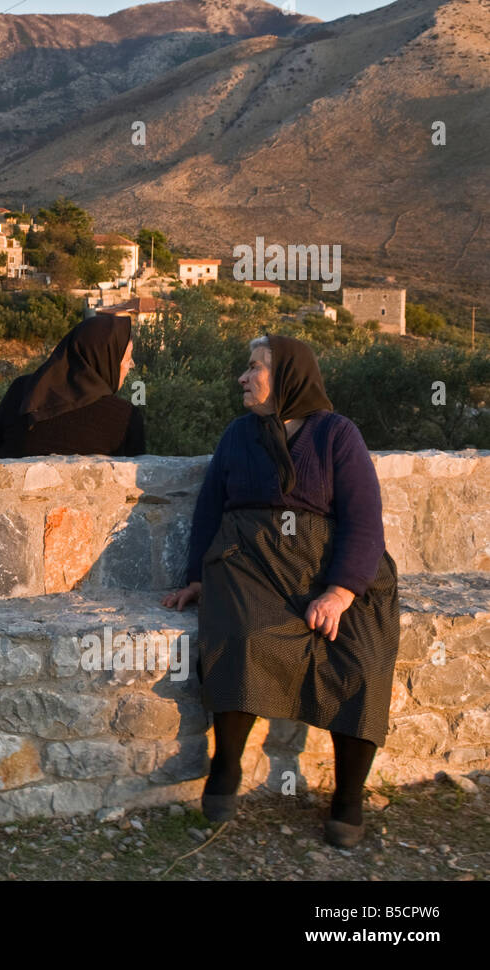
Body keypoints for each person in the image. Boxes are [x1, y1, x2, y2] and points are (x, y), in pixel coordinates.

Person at [162, 335, 399, 848]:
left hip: (327, 566)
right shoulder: (237, 435)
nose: (243, 378)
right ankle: (225, 770)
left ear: (287, 376)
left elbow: (364, 519)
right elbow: (209, 510)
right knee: (243, 637)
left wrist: (339, 593)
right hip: (250, 563)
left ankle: (348, 797)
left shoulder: (337, 434)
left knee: (364, 658)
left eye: (255, 368)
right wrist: (196, 579)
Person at [0, 313, 144, 458]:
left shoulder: (23, 391)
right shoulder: (124, 417)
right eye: (128, 360)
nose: (130, 366)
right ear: (106, 361)